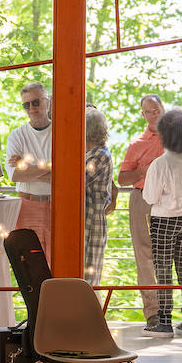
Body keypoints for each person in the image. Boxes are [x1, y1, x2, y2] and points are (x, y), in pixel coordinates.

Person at [120, 95, 182, 336]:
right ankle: (175, 316)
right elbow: (123, 179)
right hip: (163, 207)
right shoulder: (137, 144)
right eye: (148, 111)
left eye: (157, 110)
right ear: (143, 115)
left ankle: (166, 321)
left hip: (168, 210)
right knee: (160, 260)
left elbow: (155, 195)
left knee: (164, 265)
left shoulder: (181, 153)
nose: (154, 114)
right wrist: (143, 171)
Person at [142, 107, 182, 338]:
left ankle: (164, 321)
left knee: (163, 270)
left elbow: (149, 197)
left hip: (164, 219)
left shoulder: (160, 163)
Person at [5, 83, 52, 253]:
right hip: (26, 206)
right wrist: (50, 167)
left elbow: (65, 176)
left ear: (47, 102)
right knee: (29, 264)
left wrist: (29, 168)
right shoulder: (17, 136)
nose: (31, 108)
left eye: (36, 102)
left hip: (57, 206)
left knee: (57, 264)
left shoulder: (60, 132)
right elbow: (15, 175)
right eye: (26, 104)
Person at [84, 107, 113, 287]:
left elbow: (74, 179)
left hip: (92, 219)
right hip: (88, 219)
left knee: (88, 275)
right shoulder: (91, 154)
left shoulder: (99, 155)